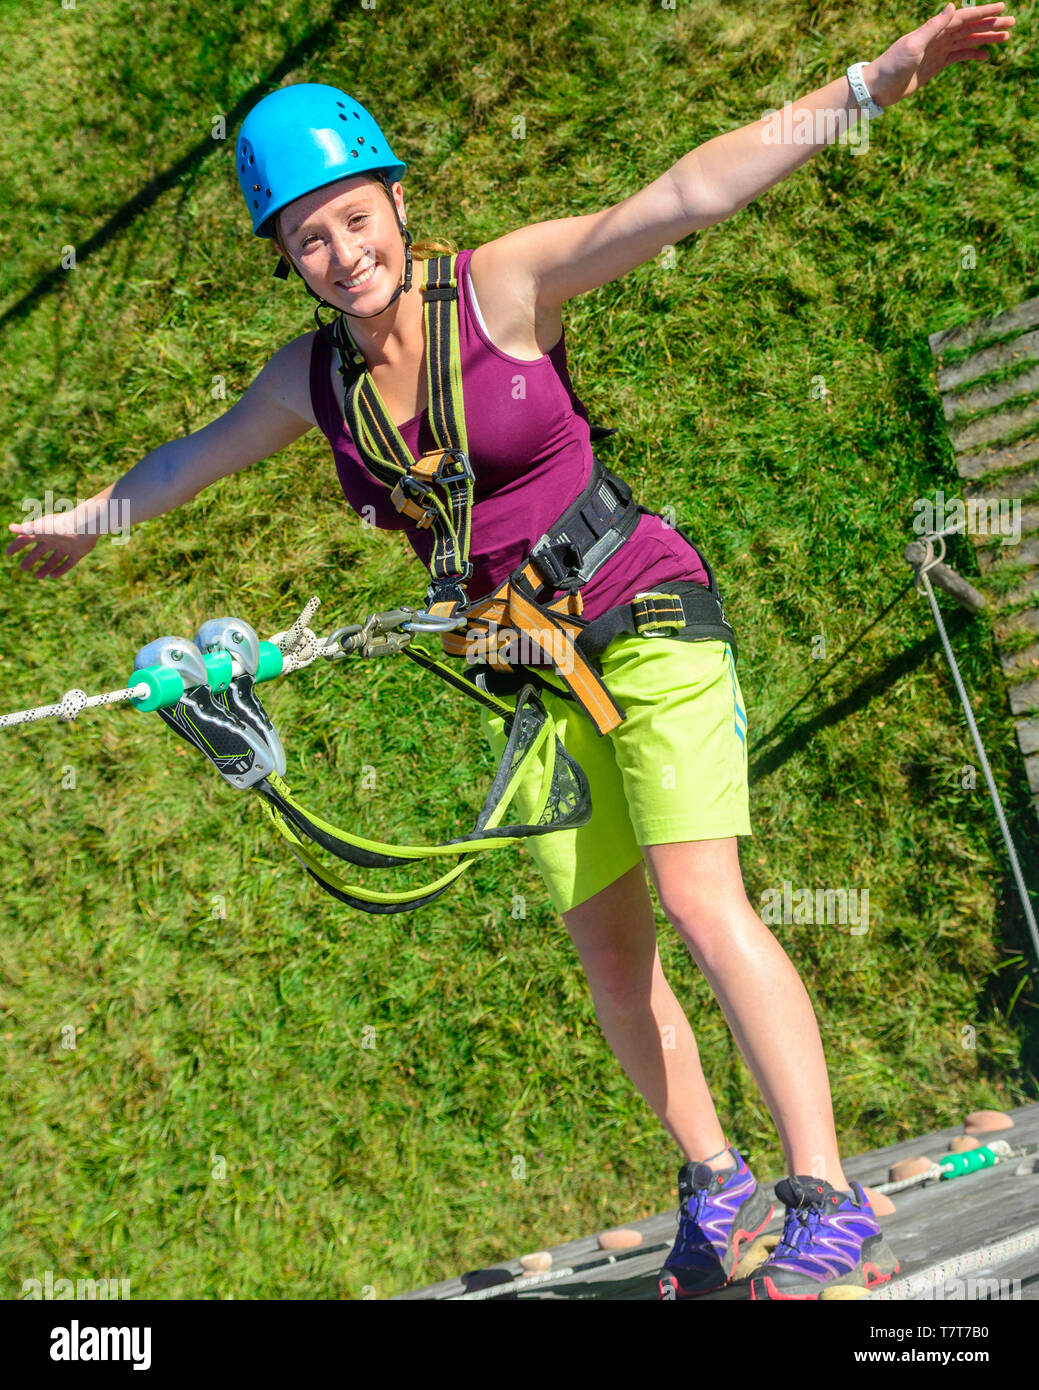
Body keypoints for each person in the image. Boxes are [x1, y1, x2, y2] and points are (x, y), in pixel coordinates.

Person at [6, 5, 1015, 1300]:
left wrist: (870, 84)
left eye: (354, 215)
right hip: (527, 674)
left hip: (643, 614)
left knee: (703, 902)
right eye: (307, 235)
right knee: (608, 946)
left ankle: (829, 1197)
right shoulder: (307, 386)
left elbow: (688, 191)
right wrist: (88, 528)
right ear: (287, 256)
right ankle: (718, 1183)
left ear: (392, 200)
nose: (339, 249)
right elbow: (192, 457)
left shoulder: (500, 284)